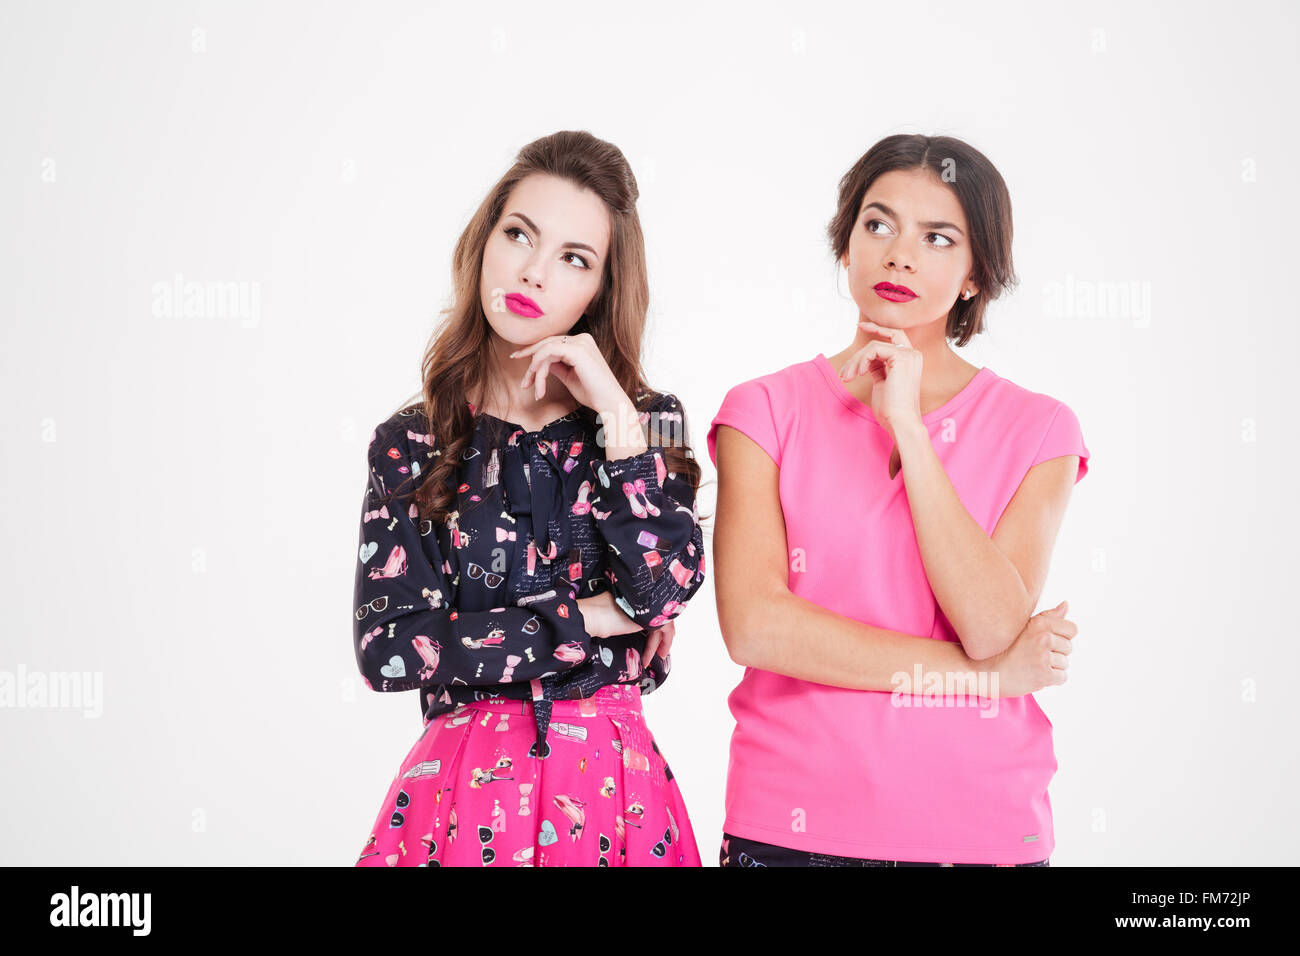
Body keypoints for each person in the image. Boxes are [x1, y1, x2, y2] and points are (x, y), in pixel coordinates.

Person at [708, 133, 1090, 867]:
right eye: (877, 225)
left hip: (982, 828)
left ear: (977, 275)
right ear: (844, 245)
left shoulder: (1041, 429)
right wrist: (987, 679)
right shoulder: (763, 409)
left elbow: (990, 624)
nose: (899, 254)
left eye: (938, 237)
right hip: (791, 826)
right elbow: (756, 628)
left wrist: (910, 429)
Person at [352, 130, 706, 867]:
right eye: (520, 235)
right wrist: (588, 619)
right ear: (486, 240)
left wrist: (615, 416)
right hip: (462, 793)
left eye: (573, 259)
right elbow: (389, 649)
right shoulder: (410, 440)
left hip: (614, 795)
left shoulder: (647, 419)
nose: (534, 272)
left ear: (600, 288)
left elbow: (666, 587)